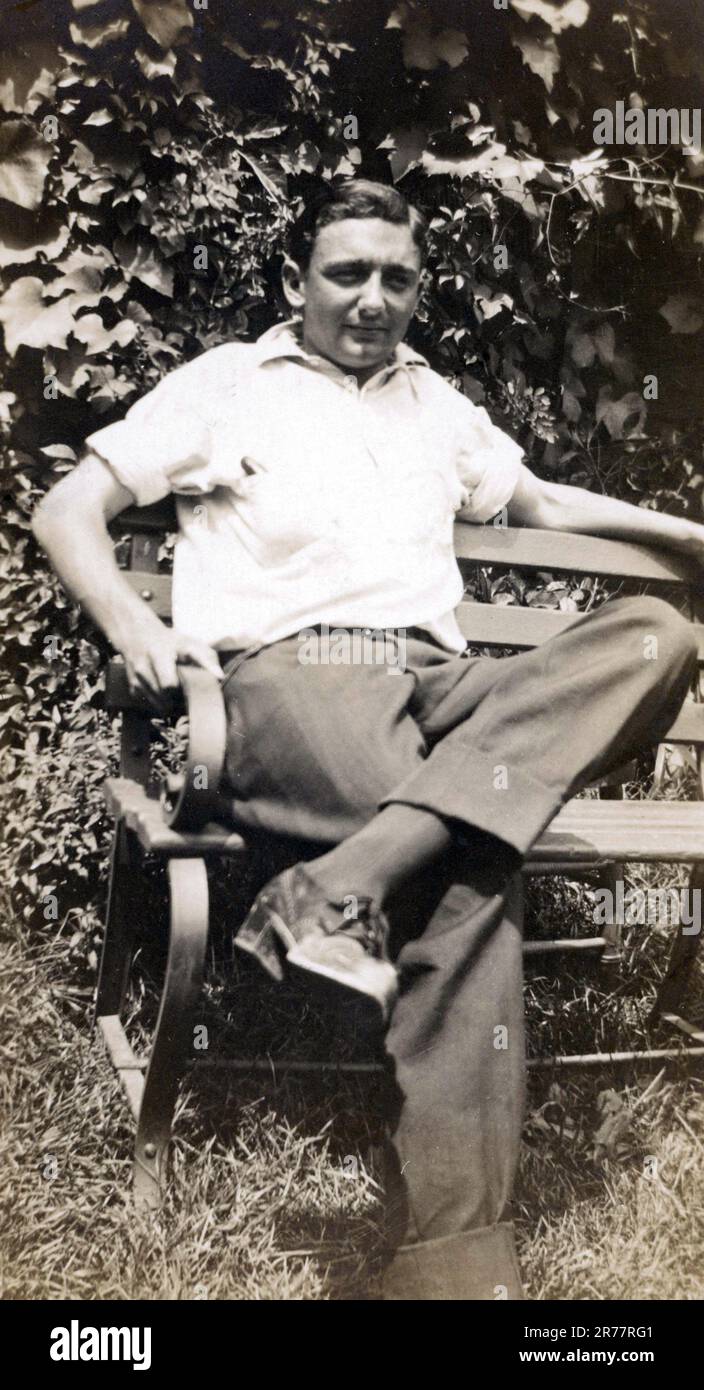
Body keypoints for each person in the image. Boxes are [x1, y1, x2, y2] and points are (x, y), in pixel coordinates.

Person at [32, 179, 700, 1300]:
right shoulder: (228, 386)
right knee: (465, 866)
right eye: (347, 272)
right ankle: (457, 1268)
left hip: (435, 678)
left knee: (650, 637)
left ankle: (335, 886)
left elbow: (531, 502)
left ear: (417, 288)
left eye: (395, 276)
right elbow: (67, 511)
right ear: (299, 282)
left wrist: (684, 533)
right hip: (294, 679)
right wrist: (131, 621)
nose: (372, 297)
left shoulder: (429, 403)